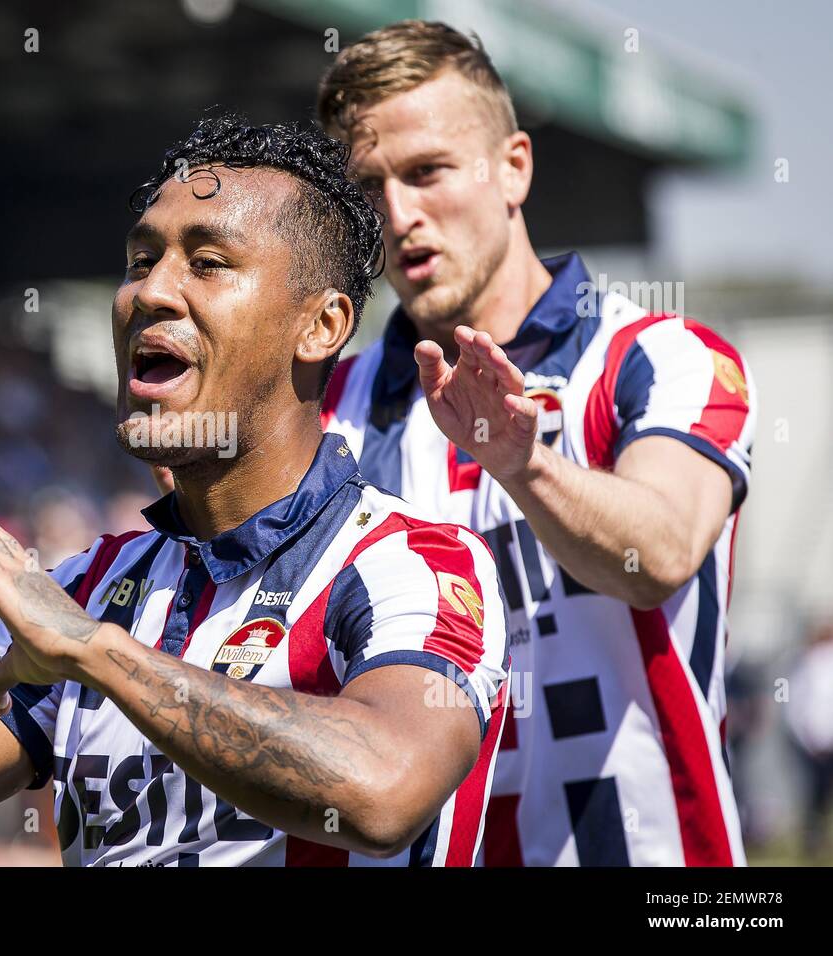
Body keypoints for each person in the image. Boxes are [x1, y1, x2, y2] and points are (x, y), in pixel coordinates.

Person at [0, 115, 510, 867]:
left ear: (322, 325)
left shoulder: (416, 562)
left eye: (209, 262)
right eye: (140, 260)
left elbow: (382, 789)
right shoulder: (91, 586)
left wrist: (97, 654)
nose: (150, 291)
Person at [314, 20, 756, 866]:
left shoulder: (662, 358)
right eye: (369, 187)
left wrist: (523, 463)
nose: (399, 215)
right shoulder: (332, 404)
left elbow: (657, 554)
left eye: (427, 172)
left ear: (513, 166)